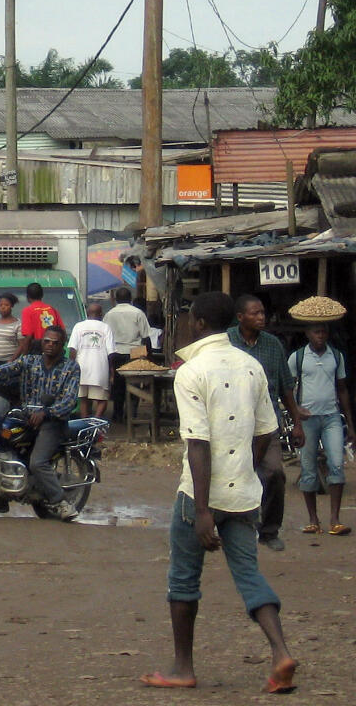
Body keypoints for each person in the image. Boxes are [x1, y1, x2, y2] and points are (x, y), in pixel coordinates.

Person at [140, 291, 297, 693]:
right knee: (249, 575)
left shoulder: (191, 371)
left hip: (199, 496)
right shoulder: (252, 366)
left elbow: (198, 444)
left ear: (198, 323)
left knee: (183, 581)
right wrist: (243, 465)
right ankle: (280, 653)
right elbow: (266, 431)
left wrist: (205, 511)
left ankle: (181, 668)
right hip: (244, 493)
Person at [0, 325, 81, 521]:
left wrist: (47, 413)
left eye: (55, 343)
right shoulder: (29, 361)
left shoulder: (70, 368)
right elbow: (2, 371)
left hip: (53, 422)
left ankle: (61, 502)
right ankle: (2, 494)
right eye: (46, 341)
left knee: (38, 462)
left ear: (62, 345)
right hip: (24, 417)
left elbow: (70, 400)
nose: (49, 345)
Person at [227, 295, 303, 552]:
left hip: (267, 422)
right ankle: (234, 529)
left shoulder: (273, 345)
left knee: (274, 473)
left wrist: (297, 423)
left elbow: (286, 387)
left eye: (263, 313)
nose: (262, 317)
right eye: (255, 313)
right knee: (234, 474)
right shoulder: (227, 342)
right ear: (240, 317)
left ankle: (269, 530)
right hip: (233, 422)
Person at [288, 322, 354, 536]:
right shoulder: (297, 358)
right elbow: (288, 389)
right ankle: (313, 520)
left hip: (332, 417)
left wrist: (350, 425)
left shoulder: (336, 356)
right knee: (308, 469)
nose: (320, 335)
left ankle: (334, 520)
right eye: (316, 331)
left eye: (324, 331)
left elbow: (342, 390)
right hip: (307, 420)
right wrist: (296, 414)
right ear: (307, 333)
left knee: (336, 463)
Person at [104, 287, 151, 419]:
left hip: (116, 351)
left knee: (118, 384)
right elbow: (146, 336)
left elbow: (105, 336)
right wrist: (149, 356)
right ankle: (132, 415)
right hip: (135, 350)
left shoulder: (109, 314)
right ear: (130, 299)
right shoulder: (138, 313)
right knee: (134, 383)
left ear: (116, 299)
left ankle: (117, 414)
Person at [68, 303, 114, 418]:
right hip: (100, 369)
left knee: (83, 398)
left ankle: (85, 424)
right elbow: (111, 353)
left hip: (81, 368)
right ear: (101, 314)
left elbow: (73, 350)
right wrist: (111, 371)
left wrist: (70, 367)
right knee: (102, 399)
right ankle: (95, 421)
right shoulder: (105, 327)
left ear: (87, 313)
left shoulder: (78, 326)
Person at [17, 282, 65, 357]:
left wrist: (24, 356)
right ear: (42, 295)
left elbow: (28, 337)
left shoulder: (28, 311)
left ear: (27, 297)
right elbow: (63, 331)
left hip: (38, 350)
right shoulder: (52, 309)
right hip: (54, 349)